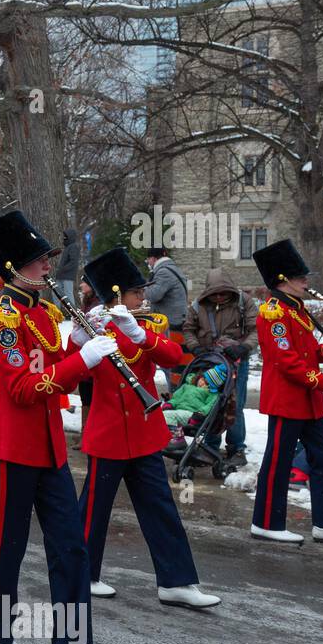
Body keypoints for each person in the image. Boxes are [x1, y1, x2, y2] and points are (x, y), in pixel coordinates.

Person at [0, 210, 123, 644]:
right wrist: (83, 360)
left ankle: (73, 643)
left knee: (70, 544)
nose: (46, 267)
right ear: (13, 267)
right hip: (12, 445)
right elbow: (21, 387)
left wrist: (78, 344)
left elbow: (55, 373)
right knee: (9, 541)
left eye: (46, 258)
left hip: (48, 445)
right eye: (37, 260)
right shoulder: (1, 317)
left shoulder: (40, 310)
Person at [73, 248, 220, 608]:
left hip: (143, 430)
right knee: (93, 510)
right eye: (138, 292)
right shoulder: (93, 325)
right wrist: (78, 340)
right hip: (108, 431)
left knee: (160, 507)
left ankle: (176, 581)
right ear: (117, 295)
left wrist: (138, 334)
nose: (144, 297)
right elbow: (72, 371)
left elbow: (175, 356)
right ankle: (81, 574)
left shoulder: (147, 322)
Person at [249, 238, 323, 546]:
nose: (306, 281)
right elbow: (288, 363)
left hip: (308, 401)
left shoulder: (296, 309)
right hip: (287, 401)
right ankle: (265, 522)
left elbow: (307, 351)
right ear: (282, 280)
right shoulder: (273, 314)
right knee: (278, 463)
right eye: (300, 277)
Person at [182, 268, 259, 460]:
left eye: (223, 292)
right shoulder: (198, 306)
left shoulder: (244, 302)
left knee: (235, 404)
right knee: (210, 404)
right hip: (209, 361)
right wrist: (195, 348)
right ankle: (210, 446)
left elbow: (256, 329)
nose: (219, 296)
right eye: (214, 293)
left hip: (237, 361)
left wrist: (244, 347)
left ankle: (236, 448)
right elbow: (188, 329)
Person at [163, 365, 227, 440]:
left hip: (192, 414)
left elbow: (210, 406)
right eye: (203, 379)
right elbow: (176, 398)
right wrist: (170, 403)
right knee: (156, 415)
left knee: (164, 416)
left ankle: (177, 440)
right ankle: (164, 439)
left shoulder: (212, 394)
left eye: (207, 384)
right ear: (200, 377)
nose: (202, 384)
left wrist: (200, 414)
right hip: (178, 411)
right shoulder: (186, 386)